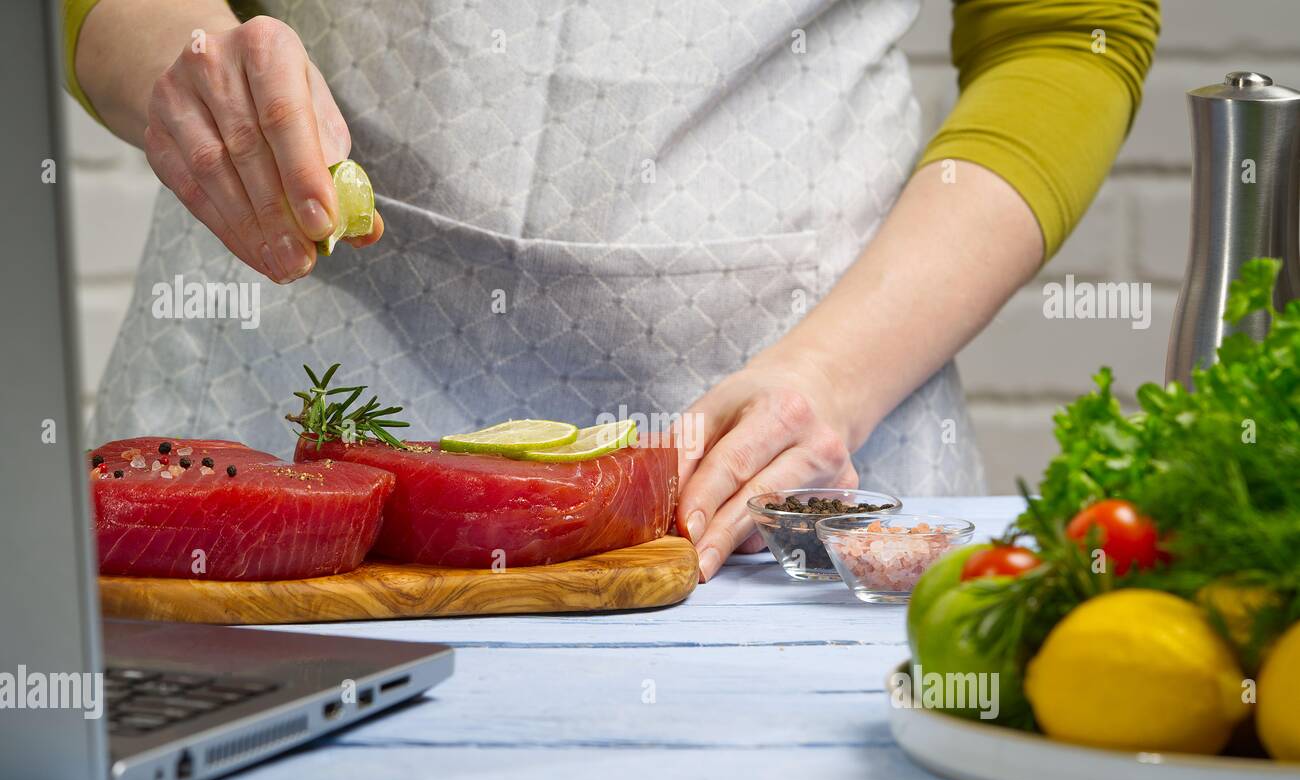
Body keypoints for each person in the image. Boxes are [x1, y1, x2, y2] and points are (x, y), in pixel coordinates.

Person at [63, 0, 1159, 579]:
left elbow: (1063, 32)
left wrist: (832, 373)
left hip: (780, 418)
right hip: (275, 384)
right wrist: (170, 49)